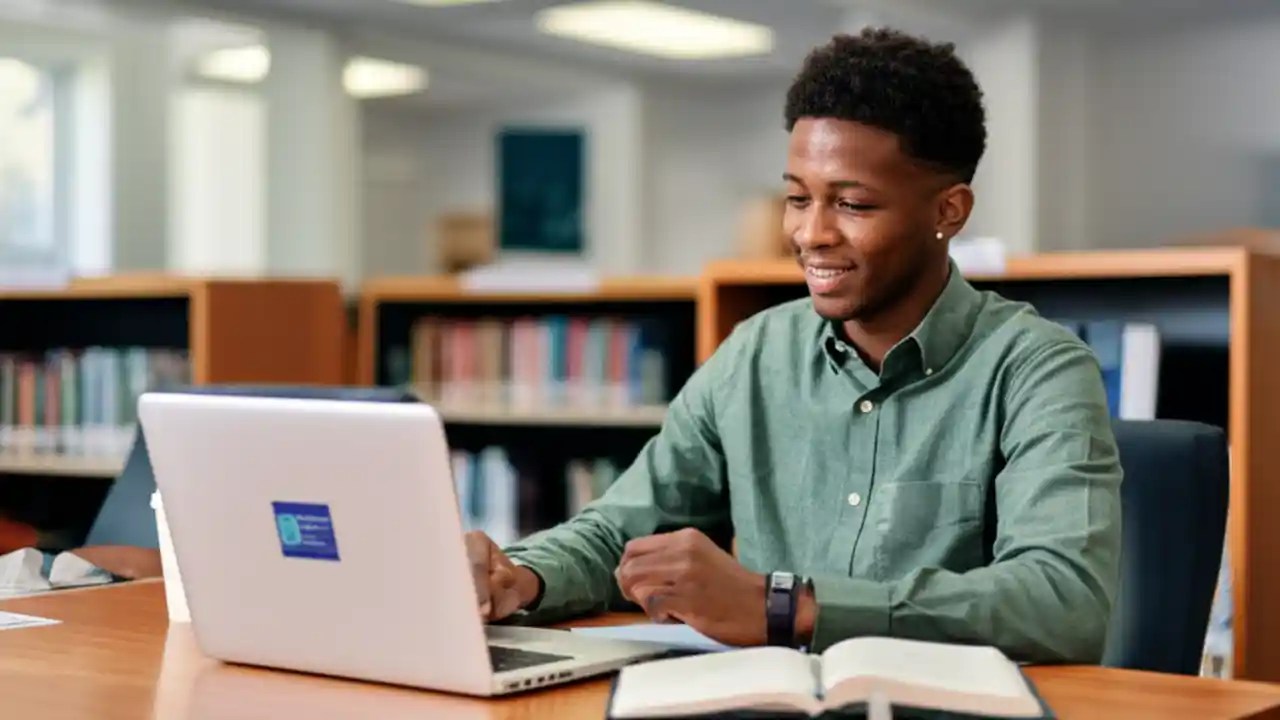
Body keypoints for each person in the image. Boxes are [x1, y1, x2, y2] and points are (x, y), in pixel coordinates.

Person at [466, 27, 1122, 663]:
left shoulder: (1038, 369)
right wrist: (521, 577)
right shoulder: (754, 354)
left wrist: (789, 606)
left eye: (854, 205)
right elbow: (620, 529)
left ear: (948, 211)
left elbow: (1063, 602)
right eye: (797, 198)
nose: (811, 234)